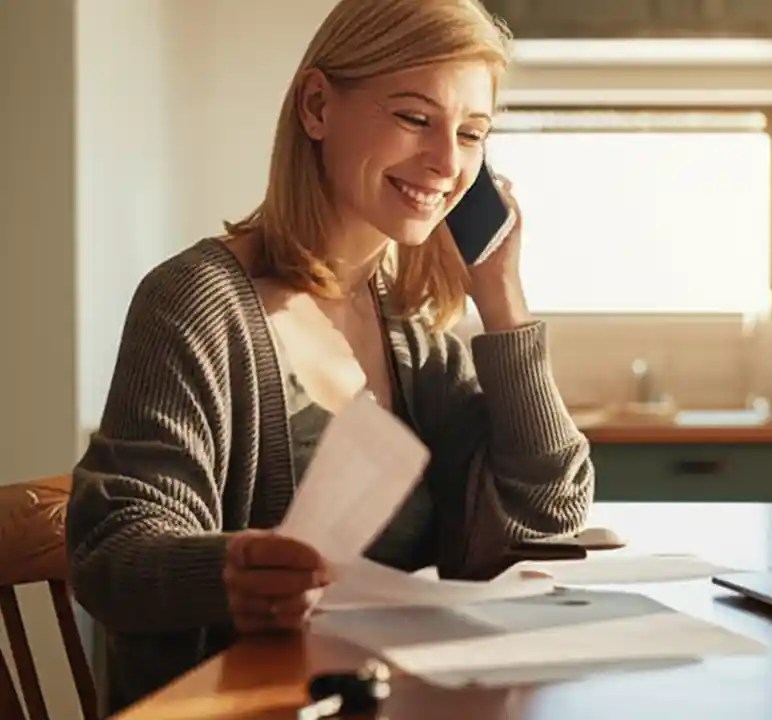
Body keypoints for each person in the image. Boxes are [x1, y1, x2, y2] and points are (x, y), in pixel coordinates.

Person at [65, 0, 593, 710]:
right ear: (317, 105)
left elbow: (550, 516)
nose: (446, 162)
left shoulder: (410, 328)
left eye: (471, 134)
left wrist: (503, 302)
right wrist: (233, 569)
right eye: (415, 118)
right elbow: (113, 552)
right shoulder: (195, 303)